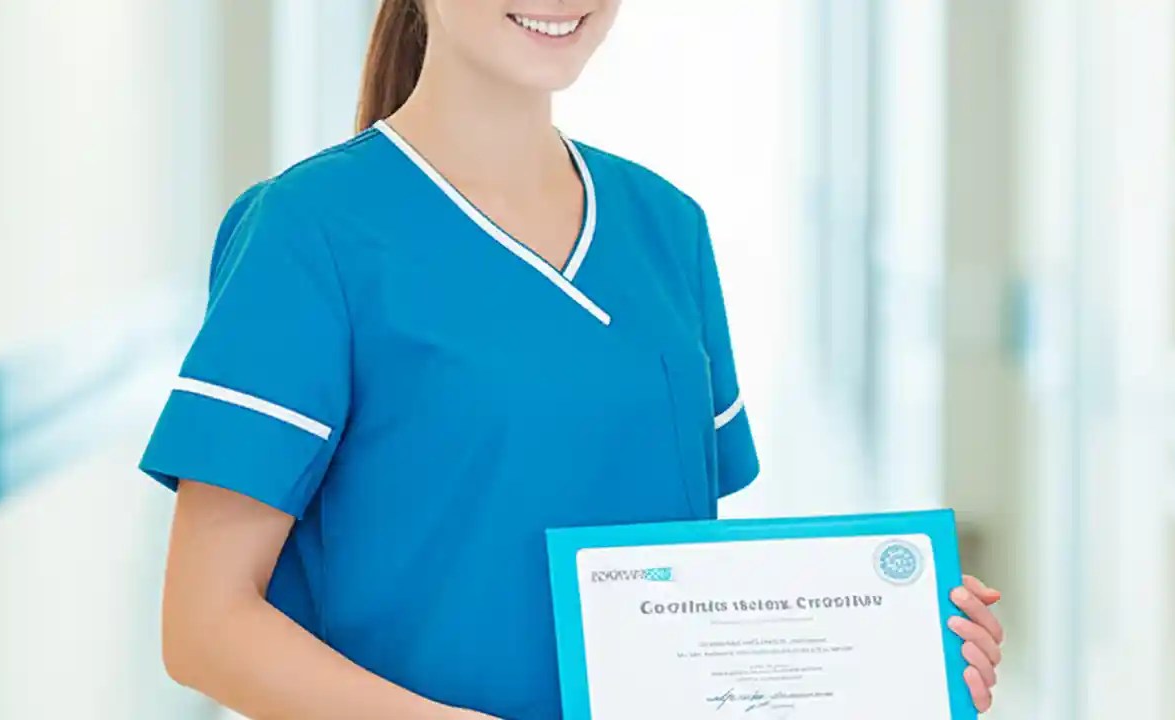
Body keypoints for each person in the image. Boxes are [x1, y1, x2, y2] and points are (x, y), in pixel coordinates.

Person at [140, 1, 1005, 718]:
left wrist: (897, 650)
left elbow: (688, 587)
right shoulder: (309, 230)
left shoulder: (667, 226)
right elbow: (206, 626)